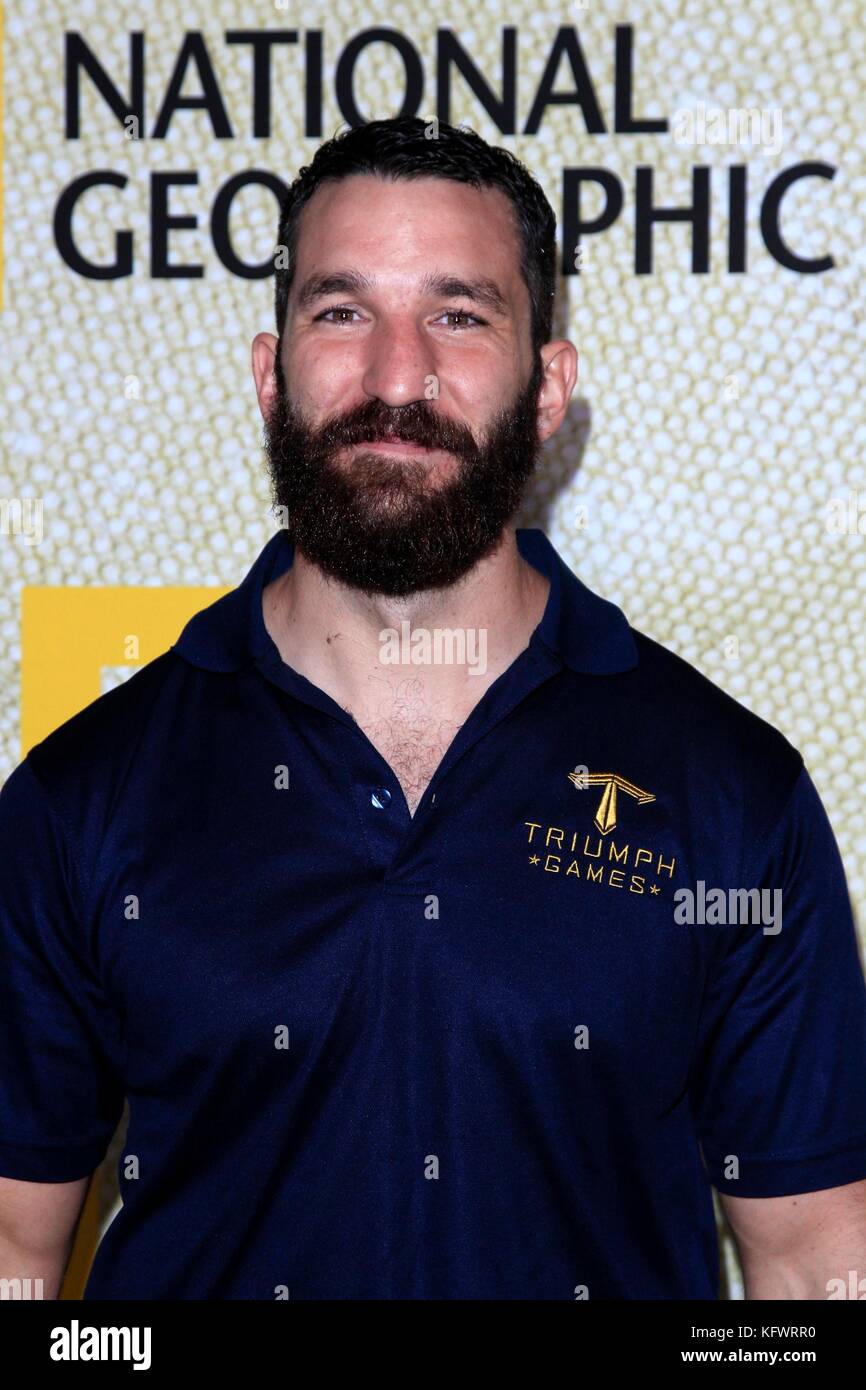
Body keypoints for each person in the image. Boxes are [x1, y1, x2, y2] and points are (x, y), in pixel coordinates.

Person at [1, 117, 865, 1301]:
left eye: (458, 314)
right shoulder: (81, 797)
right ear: (270, 371)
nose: (395, 377)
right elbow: (13, 1251)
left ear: (548, 386)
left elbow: (815, 1262)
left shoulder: (730, 792)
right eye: (340, 311)